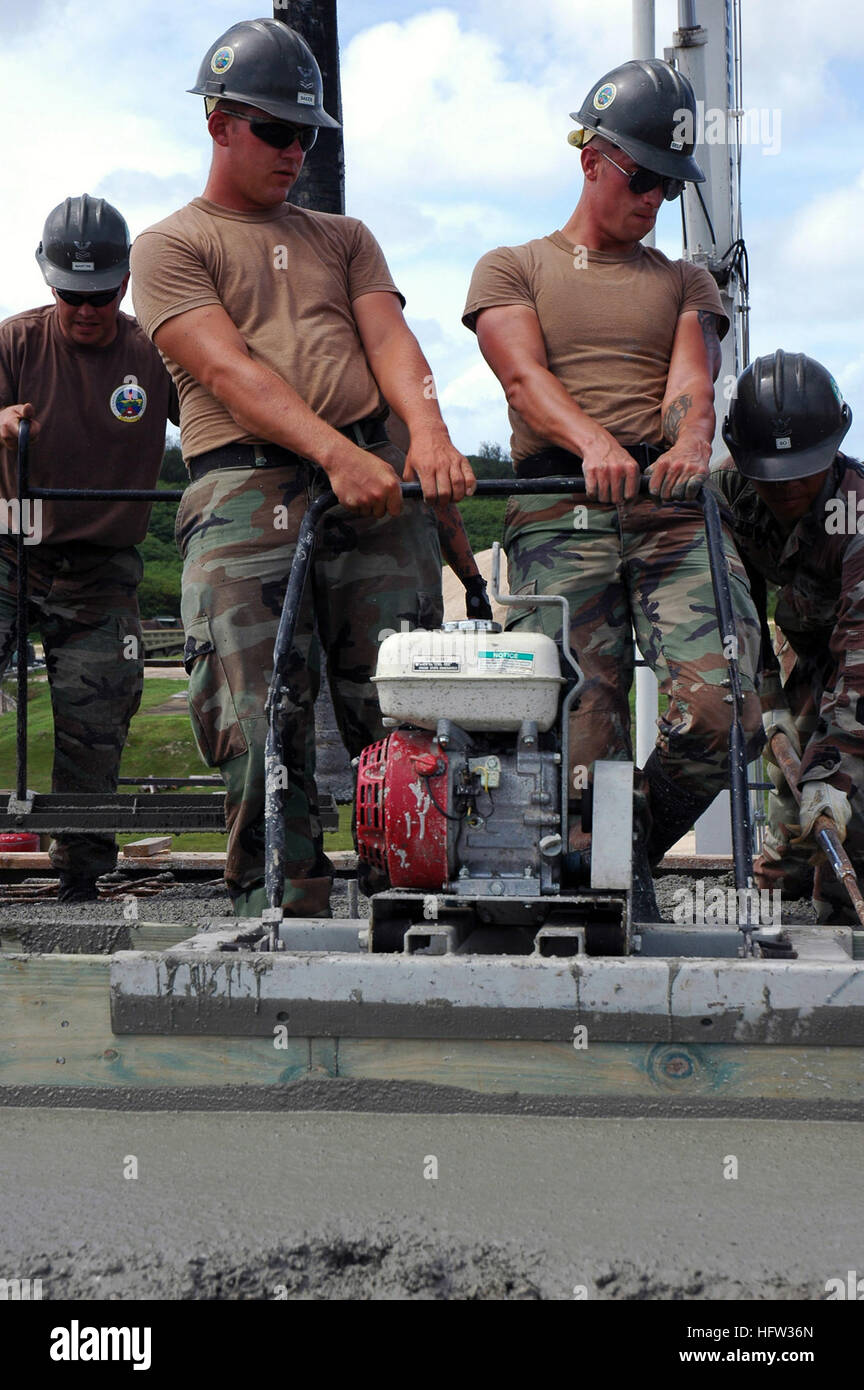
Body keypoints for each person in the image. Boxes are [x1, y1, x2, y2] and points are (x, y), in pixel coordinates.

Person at [130, 19, 476, 918]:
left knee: (404, 706)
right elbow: (227, 372)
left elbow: (390, 338)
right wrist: (334, 454)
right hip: (245, 485)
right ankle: (279, 912)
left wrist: (426, 432)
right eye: (277, 131)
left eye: (307, 134)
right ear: (219, 123)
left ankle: (416, 906)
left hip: (374, 472)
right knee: (255, 714)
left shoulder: (344, 236)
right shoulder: (171, 245)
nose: (295, 151)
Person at [462, 58, 762, 892]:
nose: (655, 200)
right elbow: (522, 377)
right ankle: (577, 887)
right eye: (643, 177)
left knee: (724, 705)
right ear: (590, 156)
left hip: (669, 514)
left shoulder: (684, 280)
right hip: (559, 510)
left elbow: (689, 382)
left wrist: (690, 441)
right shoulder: (512, 267)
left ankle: (618, 857)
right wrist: (595, 443)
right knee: (572, 728)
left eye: (670, 185)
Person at [0, 195, 177, 901]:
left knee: (95, 716)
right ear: (50, 285)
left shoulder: (154, 354)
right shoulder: (13, 343)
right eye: (70, 295)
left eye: (100, 295)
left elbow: (218, 420)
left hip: (102, 570)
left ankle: (79, 878)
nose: (85, 310)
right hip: (9, 554)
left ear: (125, 282)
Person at [715, 349, 863, 924]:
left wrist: (835, 775)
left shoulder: (856, 513)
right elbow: (735, 609)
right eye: (770, 476)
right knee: (791, 777)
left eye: (803, 472)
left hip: (855, 658)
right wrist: (768, 703)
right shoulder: (724, 494)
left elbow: (858, 664)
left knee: (839, 792)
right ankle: (782, 884)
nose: (785, 488)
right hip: (801, 648)